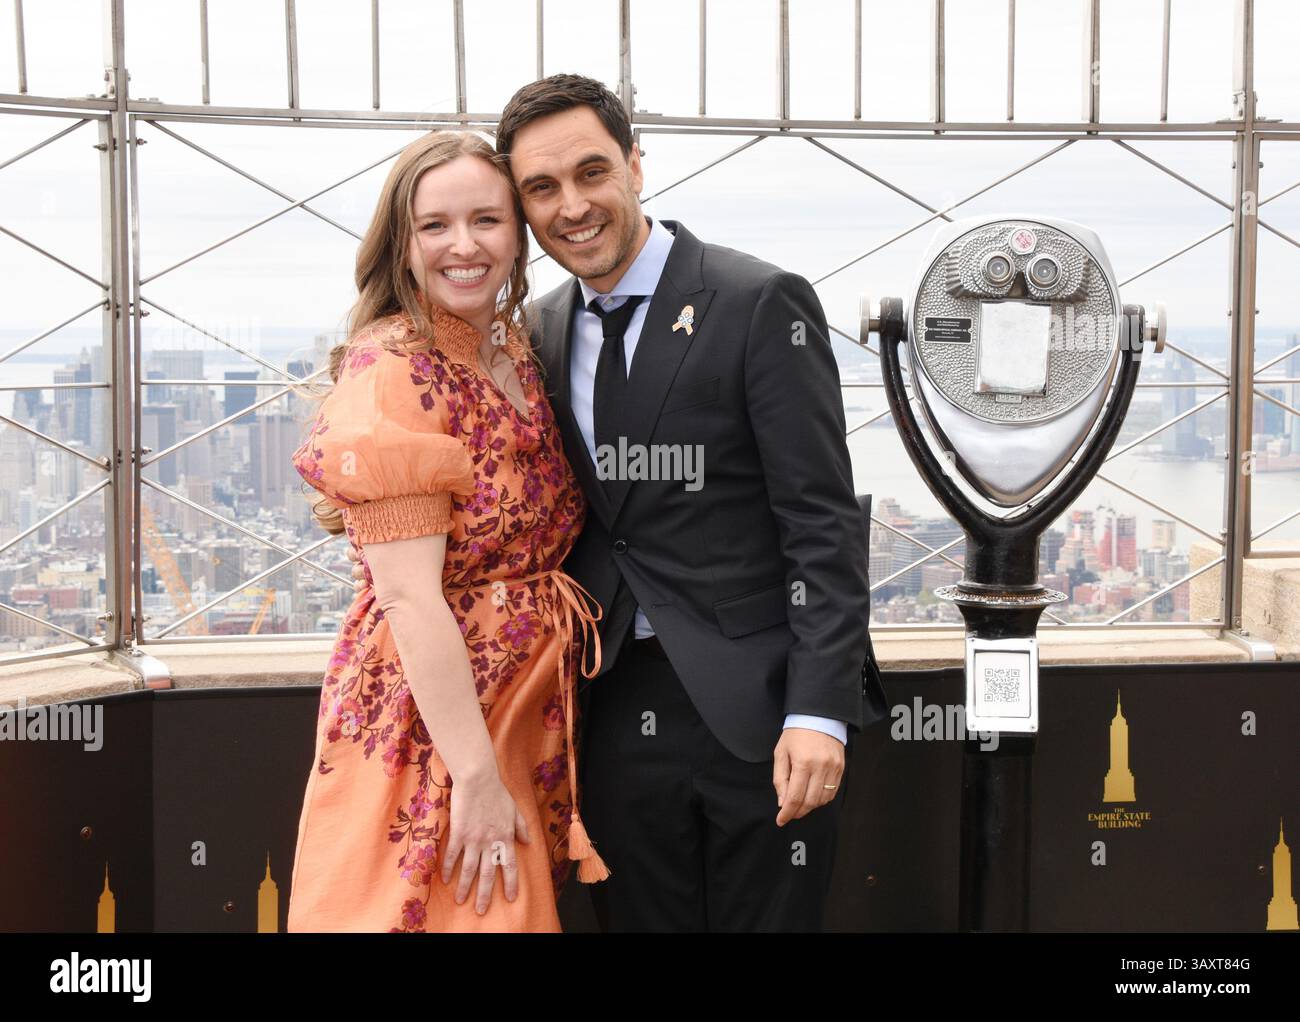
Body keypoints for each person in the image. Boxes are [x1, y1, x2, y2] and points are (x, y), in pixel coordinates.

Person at [345, 78, 891, 931]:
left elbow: (821, 522)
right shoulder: (537, 335)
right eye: (541, 190)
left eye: (592, 172)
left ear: (636, 165)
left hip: (763, 716)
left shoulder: (757, 302)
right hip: (601, 714)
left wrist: (819, 711)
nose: (573, 206)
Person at [287, 129, 606, 933]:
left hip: (528, 705)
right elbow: (406, 598)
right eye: (435, 225)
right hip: (441, 726)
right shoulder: (394, 370)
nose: (463, 246)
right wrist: (474, 777)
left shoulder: (516, 349)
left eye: (487, 221)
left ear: (519, 233)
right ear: (401, 240)